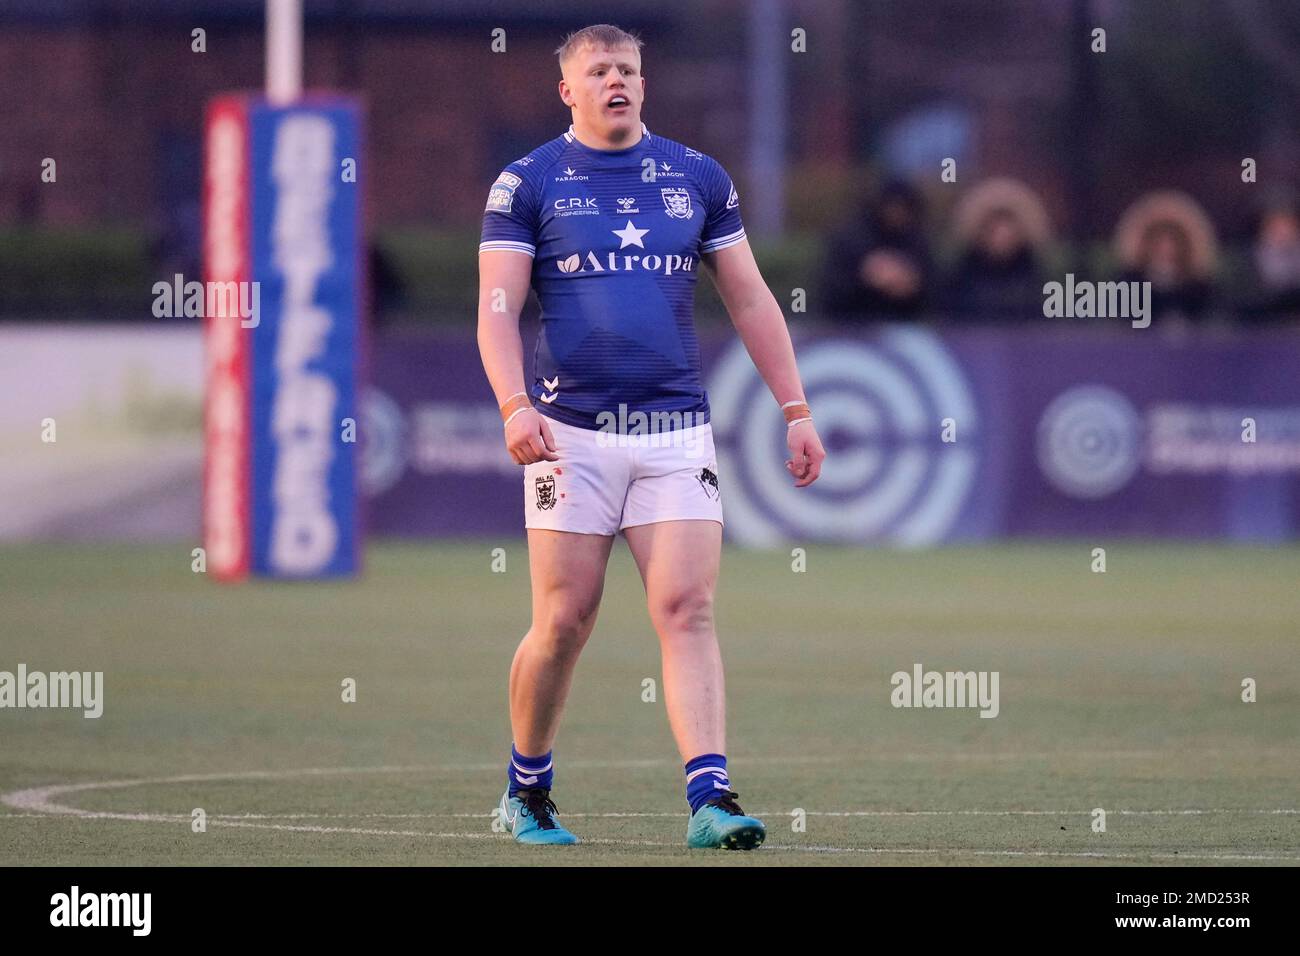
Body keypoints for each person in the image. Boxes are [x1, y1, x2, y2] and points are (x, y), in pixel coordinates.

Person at [476, 24, 826, 850]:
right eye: (597, 71)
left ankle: (711, 797)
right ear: (568, 89)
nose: (615, 80)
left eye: (627, 68)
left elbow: (749, 300)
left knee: (687, 607)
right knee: (565, 619)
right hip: (569, 436)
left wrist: (797, 408)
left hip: (676, 432)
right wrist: (512, 405)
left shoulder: (696, 177)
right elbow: (498, 308)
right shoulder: (527, 183)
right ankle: (527, 789)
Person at [944, 177, 1053, 322]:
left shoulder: (1033, 276)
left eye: (1008, 231)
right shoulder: (962, 277)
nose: (1001, 237)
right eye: (994, 231)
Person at [821, 180, 931, 321]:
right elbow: (831, 293)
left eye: (902, 208)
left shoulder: (917, 241)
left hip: (903, 327)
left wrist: (911, 284)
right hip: (851, 326)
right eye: (892, 207)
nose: (896, 214)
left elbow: (932, 292)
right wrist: (866, 276)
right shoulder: (851, 240)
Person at [1112, 190, 1218, 328]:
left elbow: (1207, 318)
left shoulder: (1198, 286)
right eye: (1159, 243)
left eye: (1171, 243)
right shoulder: (1129, 282)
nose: (1165, 249)